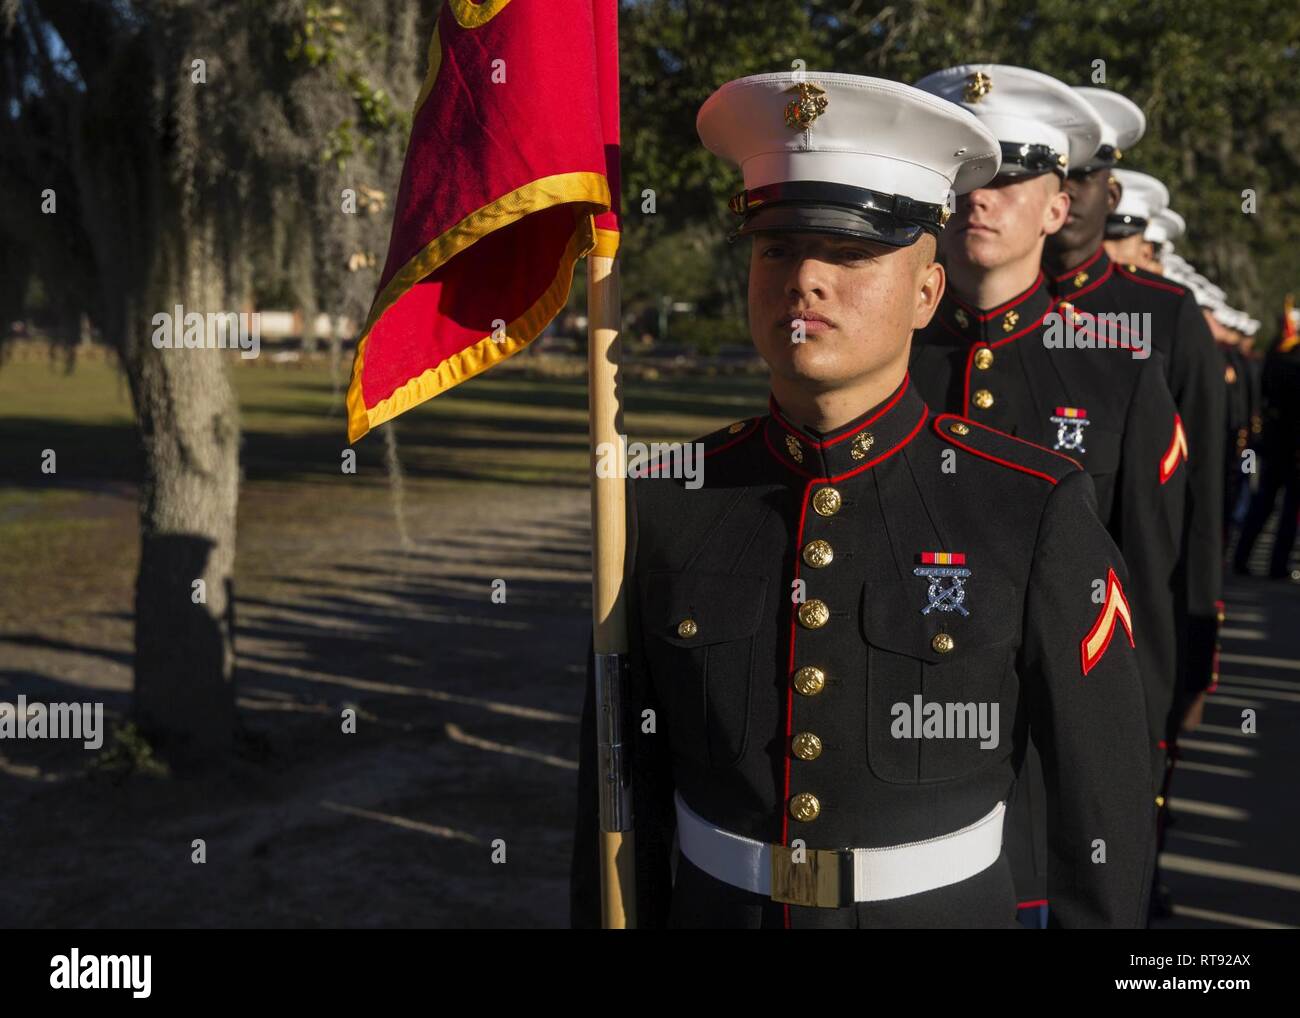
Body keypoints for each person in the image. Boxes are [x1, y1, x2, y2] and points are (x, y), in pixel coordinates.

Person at [569, 71, 1155, 929]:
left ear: (926, 292)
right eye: (775, 247)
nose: (805, 279)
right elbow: (620, 788)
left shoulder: (1029, 507)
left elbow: (1101, 814)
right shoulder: (666, 497)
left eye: (849, 253)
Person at [907, 64, 1185, 928]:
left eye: (1008, 177)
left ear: (1059, 207)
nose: (981, 198)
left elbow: (1145, 582)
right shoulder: (880, 365)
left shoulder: (1118, 368)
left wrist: (1138, 755)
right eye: (964, 179)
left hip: (1037, 772)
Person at [1048, 87, 1226, 731]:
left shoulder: (1166, 315)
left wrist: (1194, 647)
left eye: (1083, 177)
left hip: (1125, 626)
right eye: (1049, 175)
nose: (1065, 192)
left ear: (1110, 194)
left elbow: (1201, 493)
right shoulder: (982, 321)